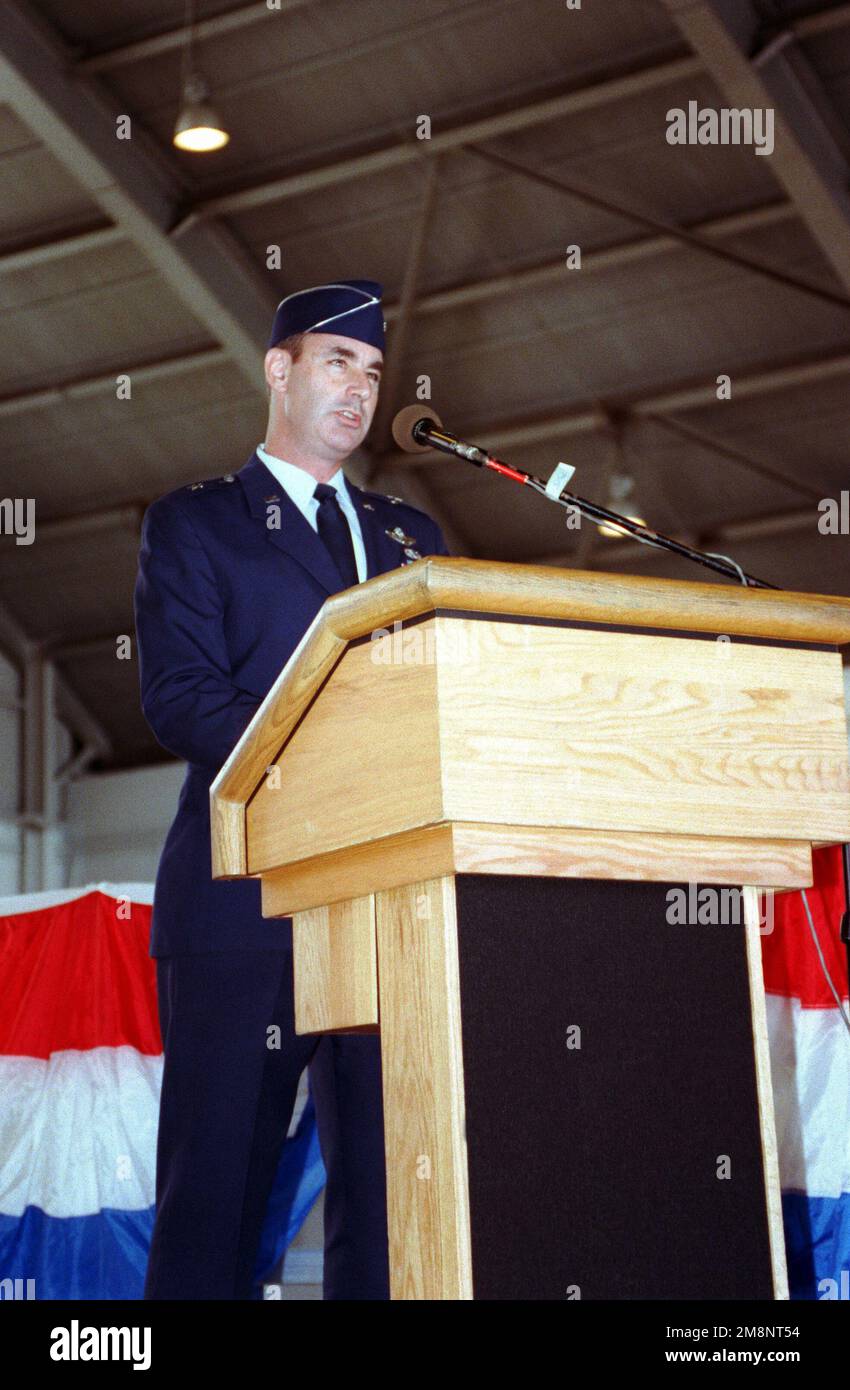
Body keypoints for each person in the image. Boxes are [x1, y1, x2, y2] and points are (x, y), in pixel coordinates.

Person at [134, 279, 450, 1300]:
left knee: (395, 1196)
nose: (358, 391)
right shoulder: (198, 523)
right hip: (245, 894)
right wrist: (342, 768)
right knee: (216, 1195)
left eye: (371, 372)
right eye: (334, 363)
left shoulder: (414, 540)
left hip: (384, 903)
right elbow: (183, 699)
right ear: (278, 369)